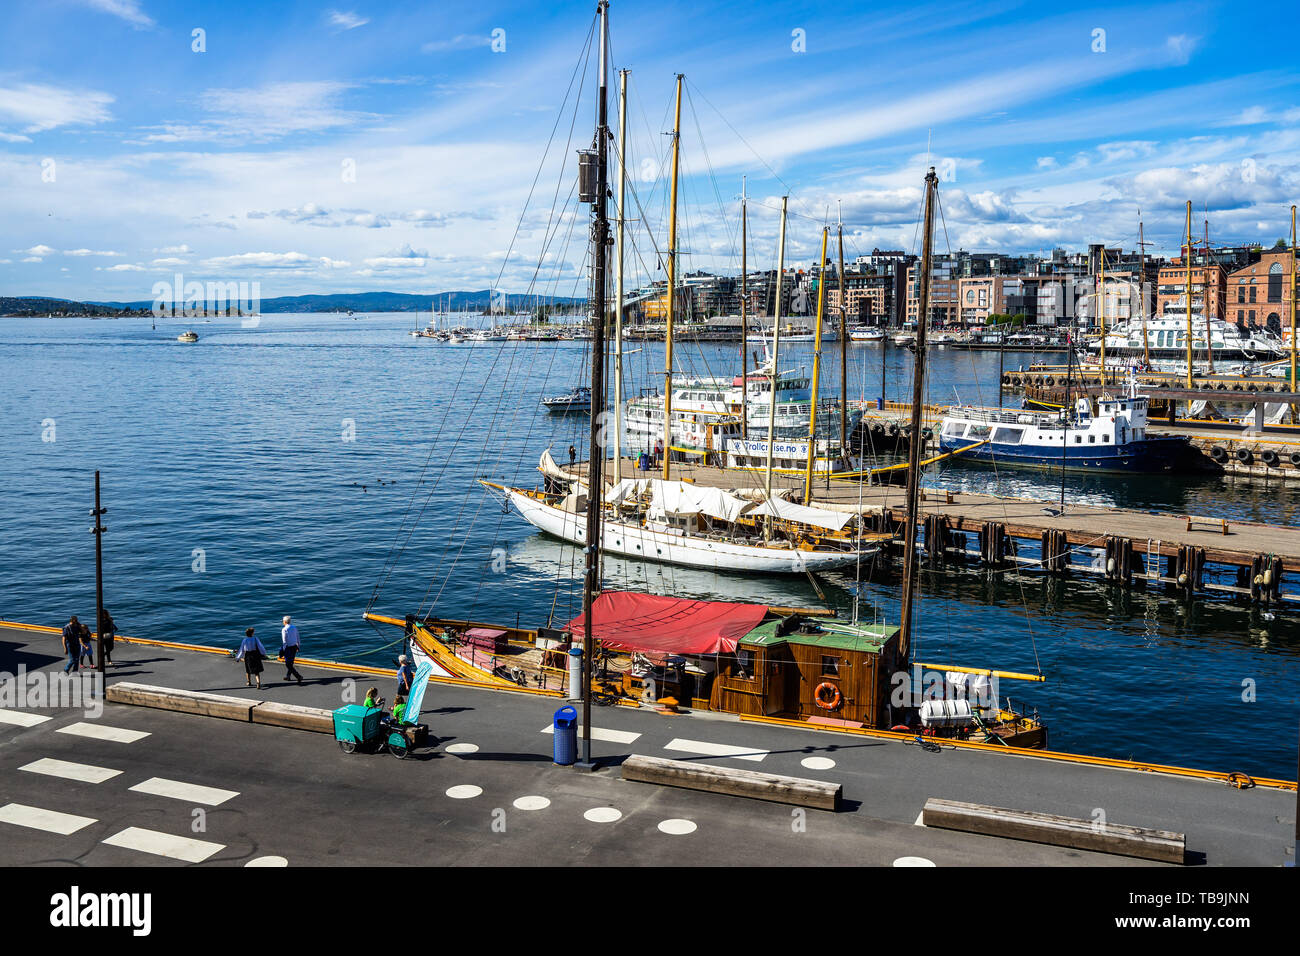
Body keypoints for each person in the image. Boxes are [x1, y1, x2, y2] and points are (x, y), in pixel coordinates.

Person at [280, 615, 303, 684]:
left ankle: (298, 676)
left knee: (288, 664)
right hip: (294, 647)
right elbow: (298, 637)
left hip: (288, 648)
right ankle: (288, 676)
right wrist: (298, 646)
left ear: (284, 622)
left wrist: (283, 650)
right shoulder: (294, 627)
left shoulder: (284, 629)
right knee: (291, 663)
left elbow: (284, 641)